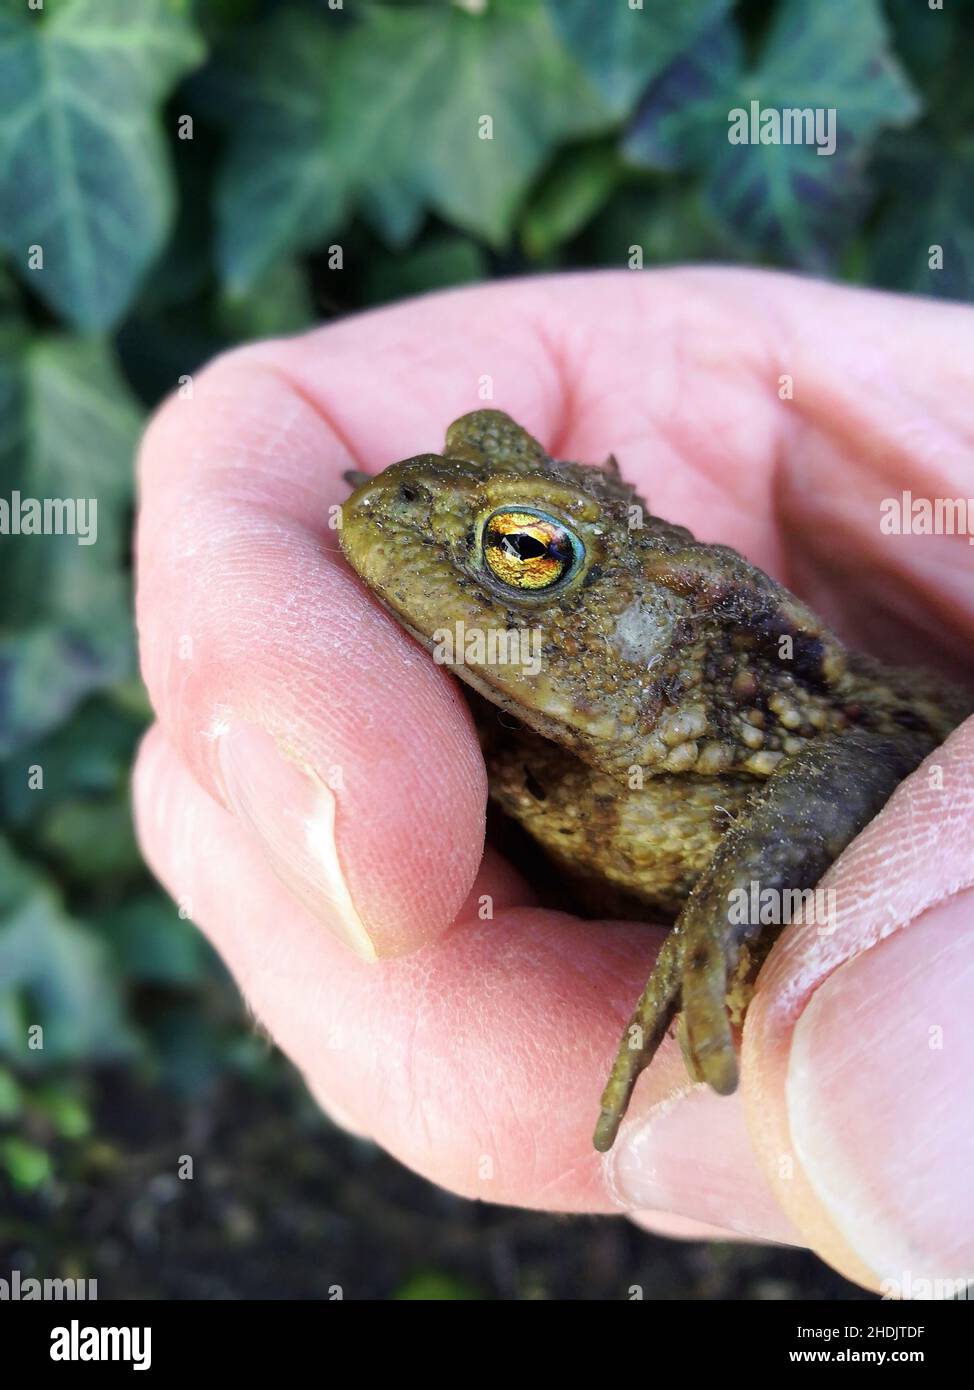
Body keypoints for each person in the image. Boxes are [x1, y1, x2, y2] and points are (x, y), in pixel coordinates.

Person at [133, 269, 974, 1294]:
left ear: (652, 638)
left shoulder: (722, 747)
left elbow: (872, 761)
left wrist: (734, 907)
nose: (400, 498)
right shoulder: (522, 720)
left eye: (522, 550)